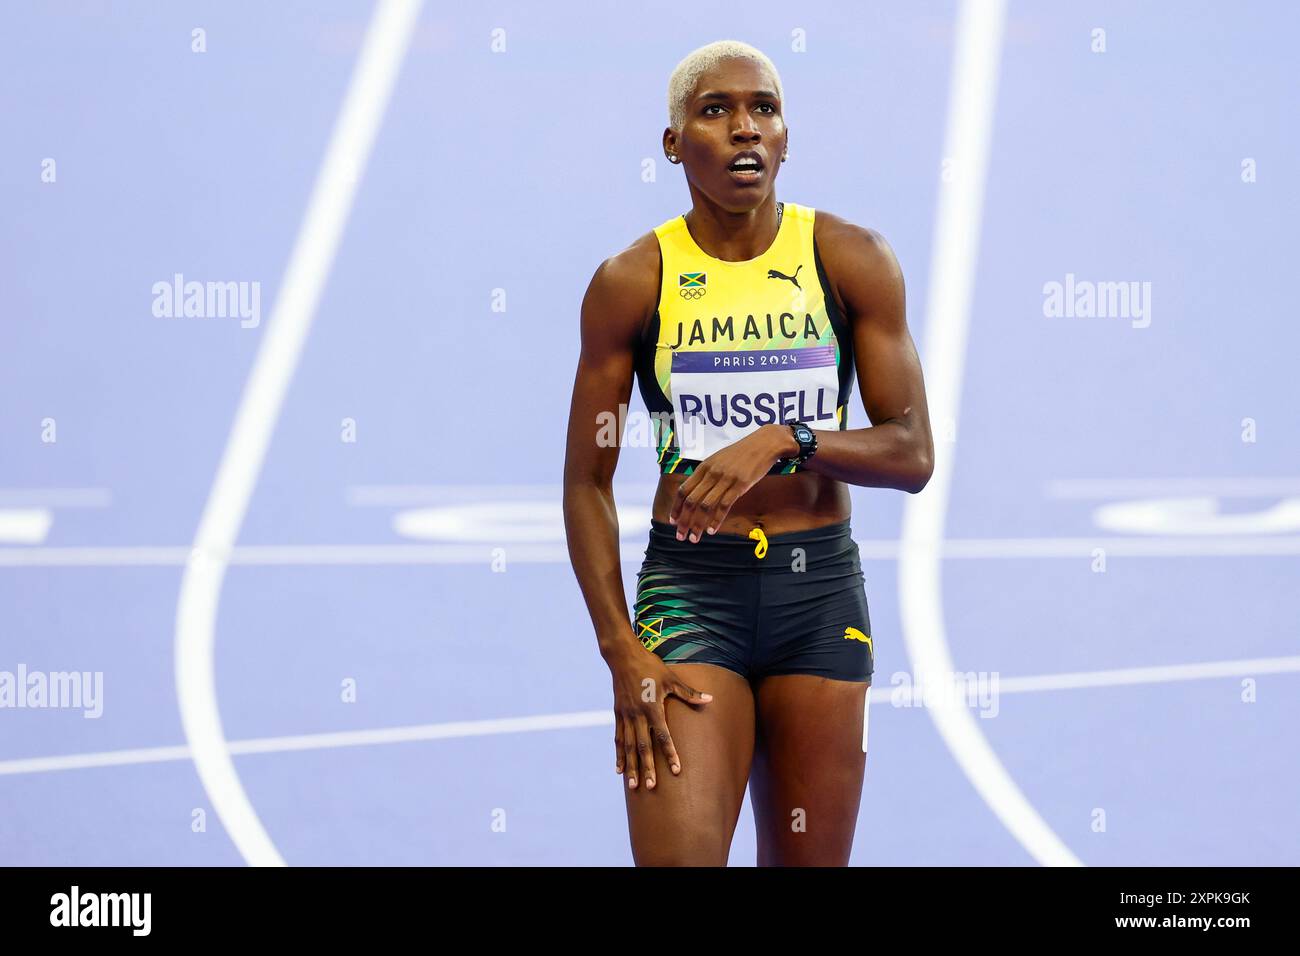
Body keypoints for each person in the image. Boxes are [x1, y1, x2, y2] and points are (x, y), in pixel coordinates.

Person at [562, 39, 934, 866]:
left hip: (819, 598)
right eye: (715, 110)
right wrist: (620, 648)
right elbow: (587, 482)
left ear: (787, 137)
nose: (744, 130)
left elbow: (912, 453)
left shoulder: (849, 260)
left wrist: (787, 441)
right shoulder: (634, 280)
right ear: (673, 144)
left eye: (763, 109)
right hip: (692, 598)